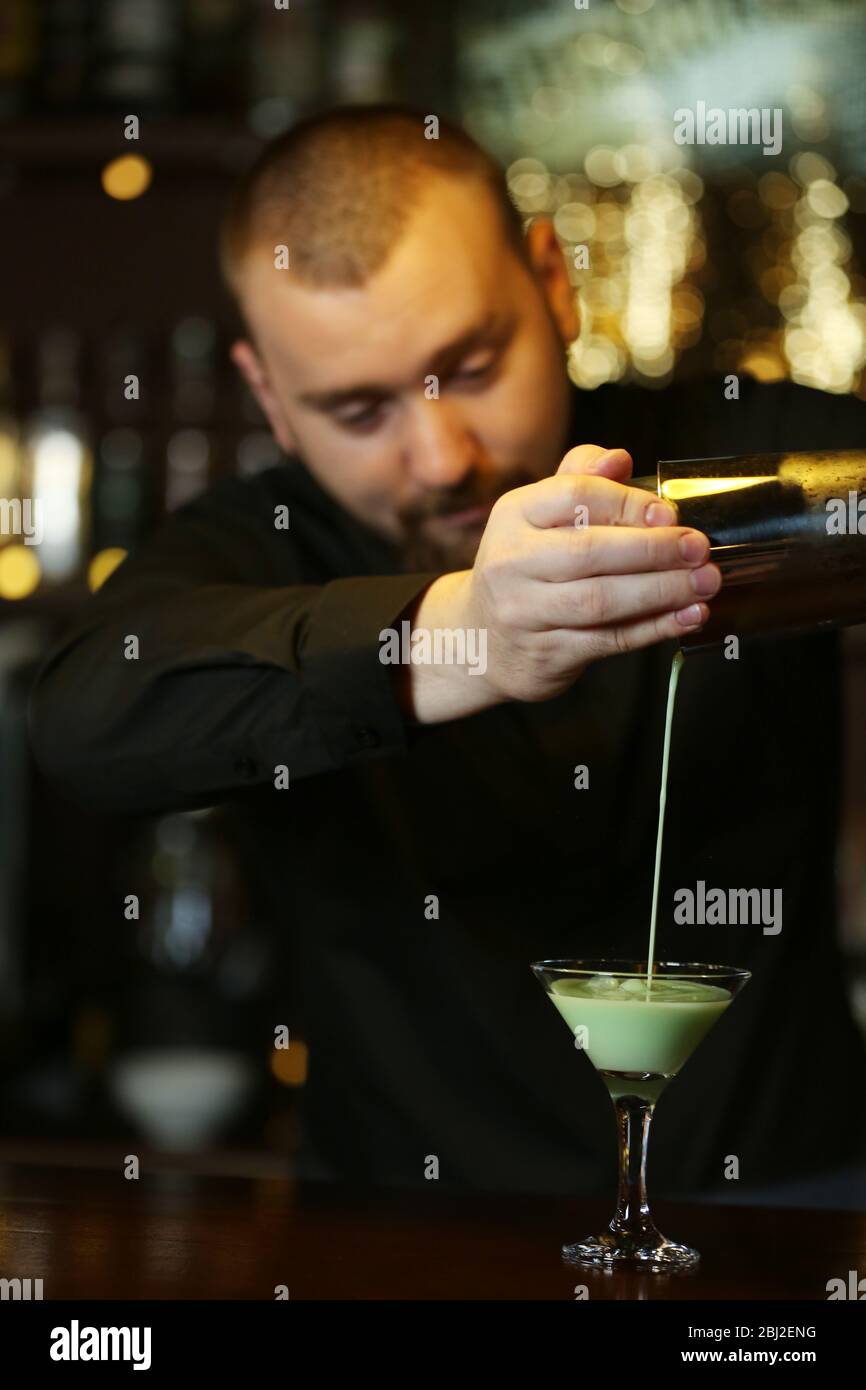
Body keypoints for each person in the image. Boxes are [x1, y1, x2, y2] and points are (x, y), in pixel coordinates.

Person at [29, 105, 866, 1203]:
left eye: (469, 365)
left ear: (550, 285)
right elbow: (86, 719)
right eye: (356, 408)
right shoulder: (254, 548)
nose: (439, 457)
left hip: (784, 1205)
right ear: (270, 397)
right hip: (401, 1228)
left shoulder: (728, 447)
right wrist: (461, 634)